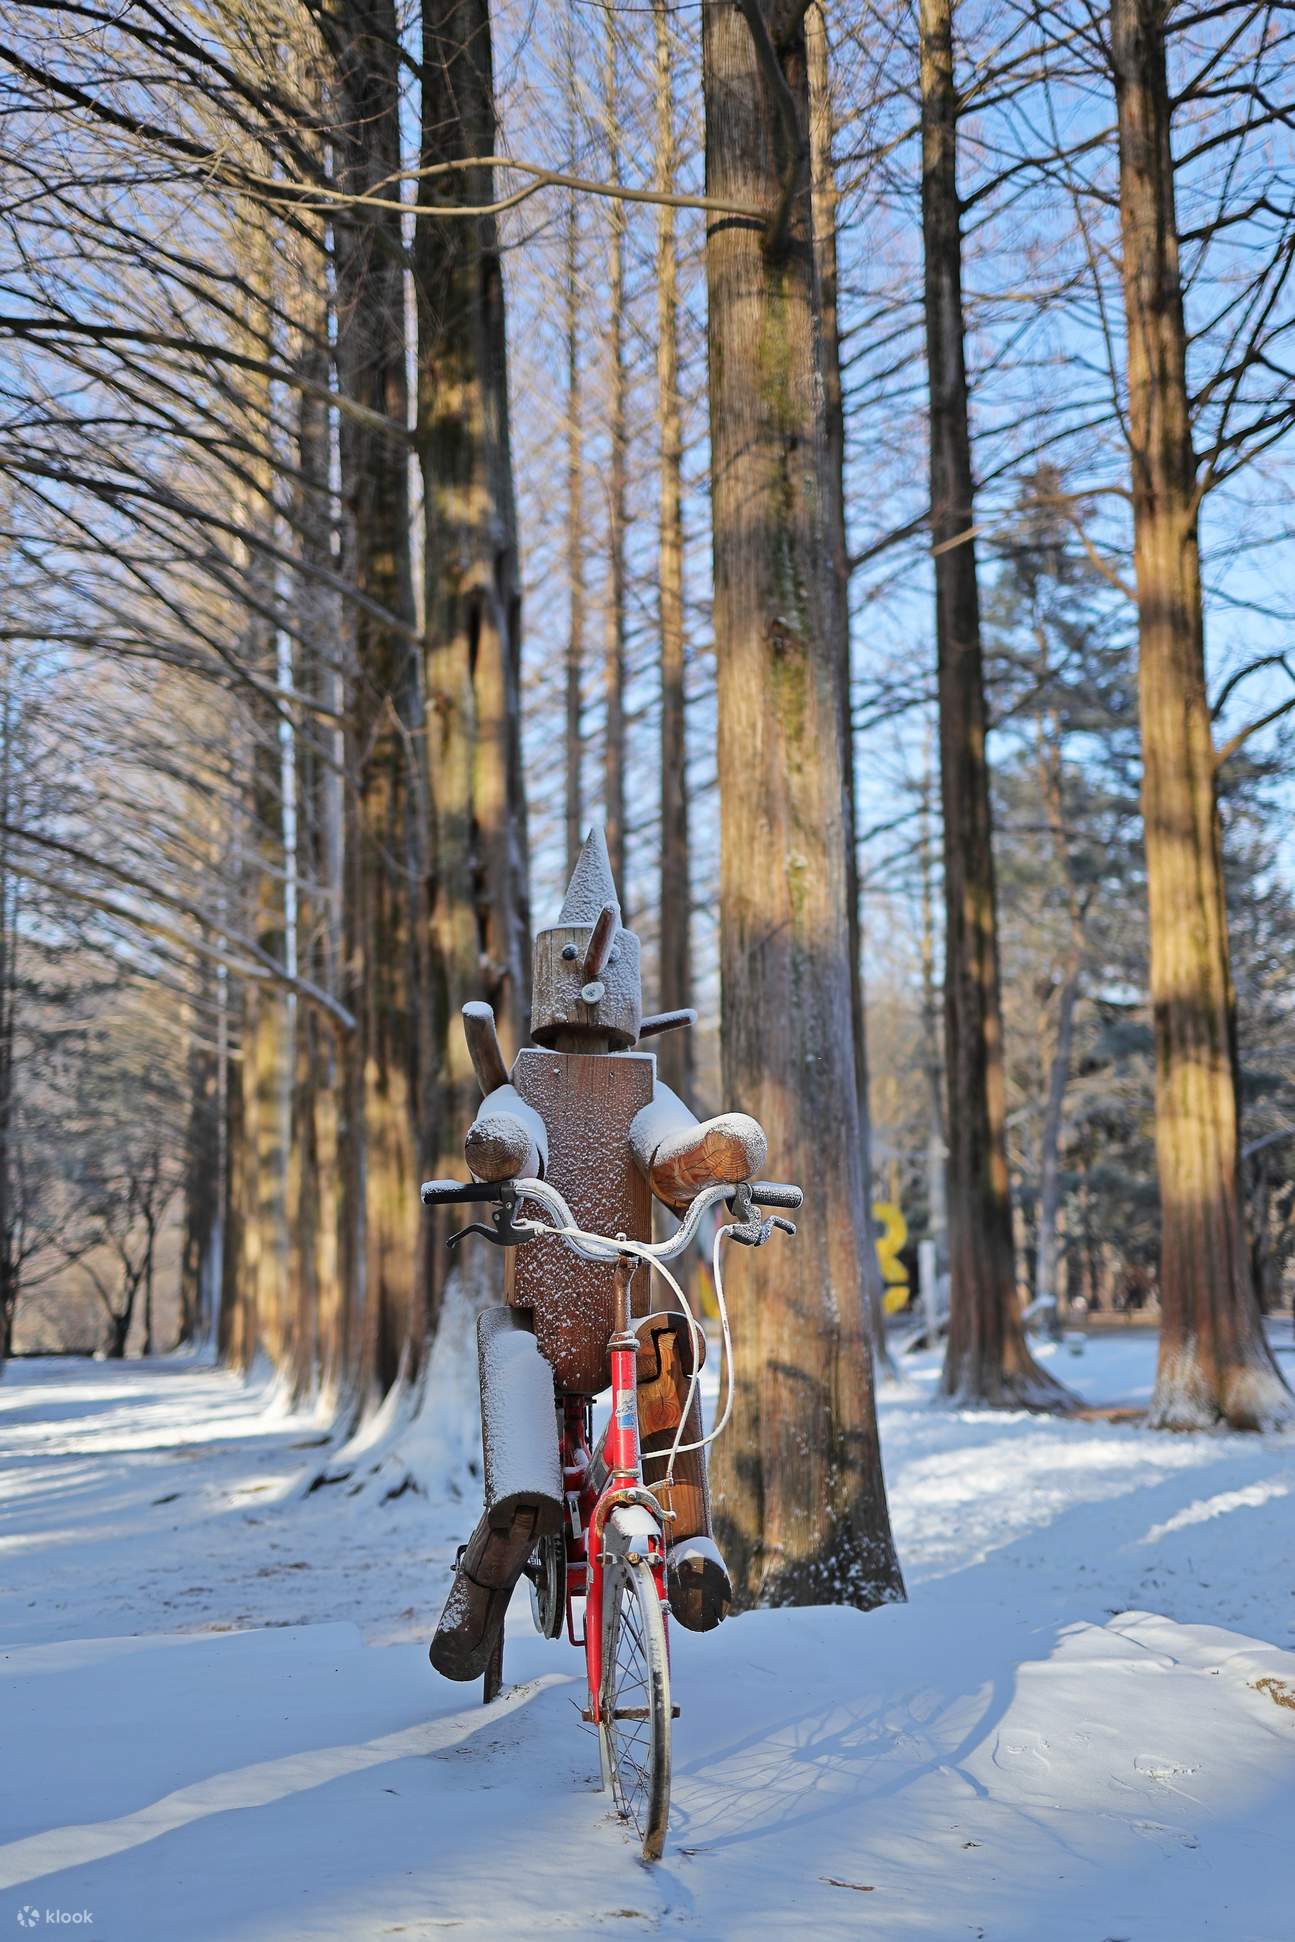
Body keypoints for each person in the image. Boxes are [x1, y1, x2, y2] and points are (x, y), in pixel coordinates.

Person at [429, 828, 766, 1682]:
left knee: (667, 1351)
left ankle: (687, 1542)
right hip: (542, 1308)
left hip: (626, 1297)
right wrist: (503, 1153)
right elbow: (515, 1138)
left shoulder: (642, 1089)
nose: (593, 986)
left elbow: (668, 1152)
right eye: (582, 966)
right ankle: (487, 1580)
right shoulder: (530, 1083)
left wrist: (712, 1159)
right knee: (519, 1404)